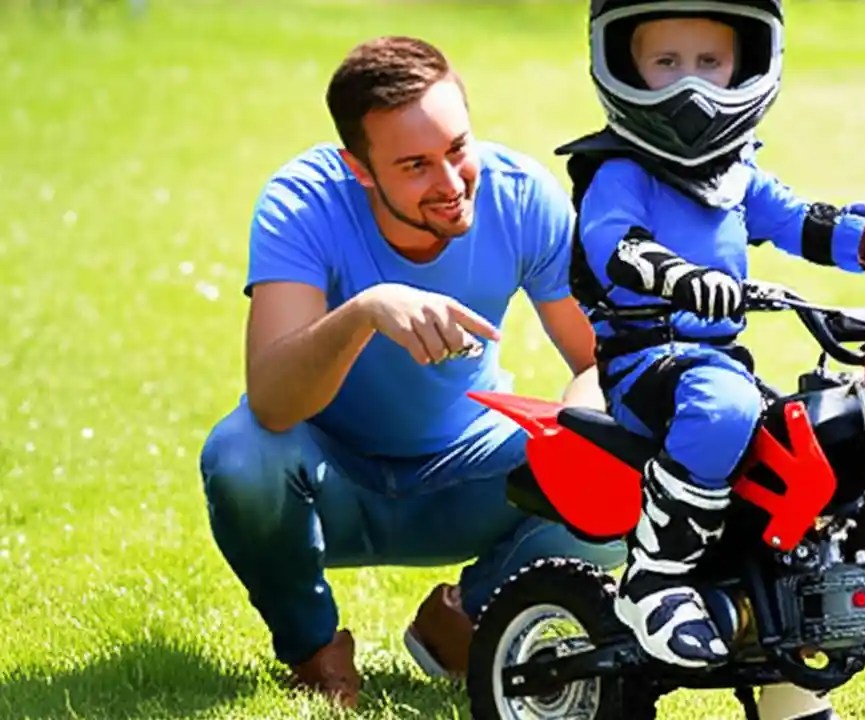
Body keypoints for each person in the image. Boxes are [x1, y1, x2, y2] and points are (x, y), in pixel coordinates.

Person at [555, 1, 865, 717]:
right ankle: (655, 578)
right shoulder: (619, 171)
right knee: (725, 406)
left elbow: (819, 225)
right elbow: (613, 244)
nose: (691, 88)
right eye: (666, 62)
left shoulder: (738, 177)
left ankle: (790, 667)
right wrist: (679, 276)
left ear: (747, 62)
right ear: (625, 66)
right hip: (648, 364)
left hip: (718, 359)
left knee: (809, 455)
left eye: (710, 62)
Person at [197, 35, 625, 710]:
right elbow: (274, 403)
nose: (452, 184)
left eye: (458, 147)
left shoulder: (522, 199)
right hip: (331, 482)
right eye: (416, 165)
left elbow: (603, 361)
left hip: (468, 473)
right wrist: (365, 312)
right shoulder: (301, 204)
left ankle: (466, 624)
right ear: (359, 168)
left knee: (620, 459)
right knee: (240, 454)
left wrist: (579, 441)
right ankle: (314, 651)